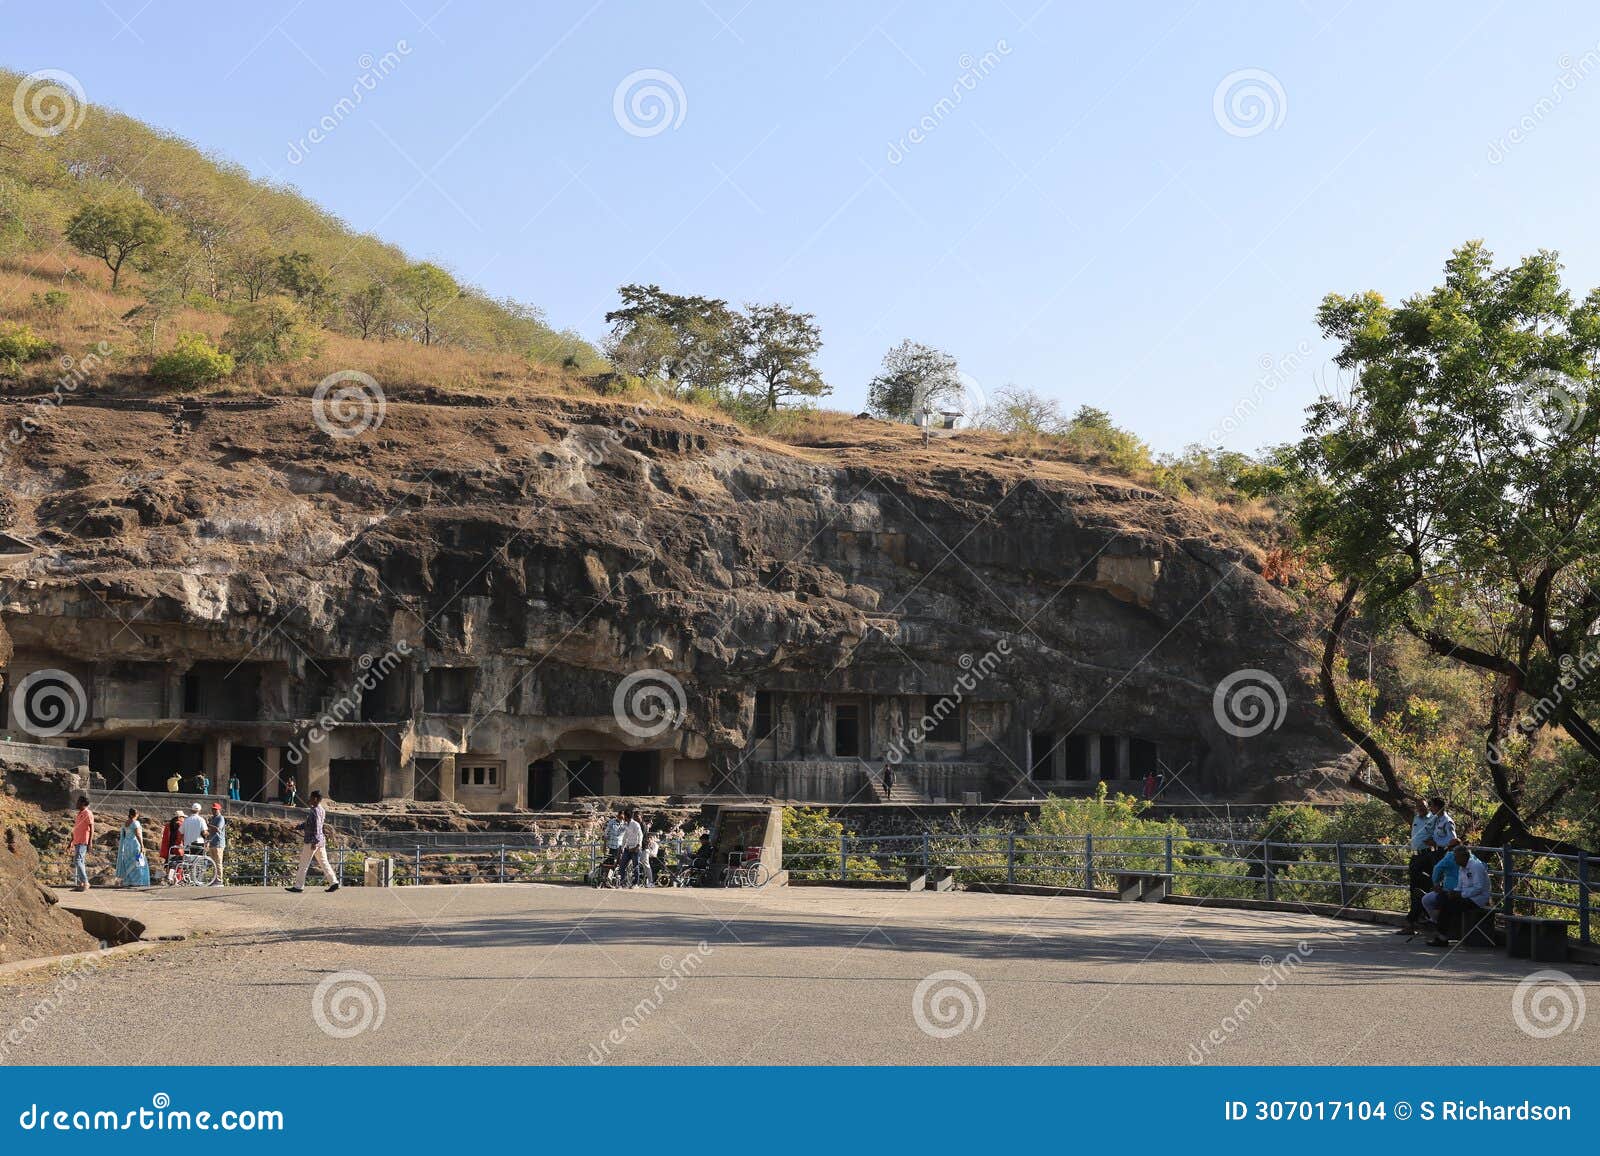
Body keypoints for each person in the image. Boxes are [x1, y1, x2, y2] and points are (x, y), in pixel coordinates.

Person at [1427, 846, 1491, 948]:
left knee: (1449, 905)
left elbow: (1479, 888)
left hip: (1477, 899)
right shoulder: (1462, 868)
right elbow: (1459, 887)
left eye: (1456, 857)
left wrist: (1461, 894)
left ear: (1464, 856)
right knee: (1443, 897)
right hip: (1465, 896)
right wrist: (1450, 892)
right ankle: (1437, 926)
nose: (1455, 860)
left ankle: (1441, 935)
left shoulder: (1476, 866)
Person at [286, 790, 339, 894]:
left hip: (311, 841)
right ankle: (334, 882)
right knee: (324, 862)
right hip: (320, 841)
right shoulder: (322, 810)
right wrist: (297, 827)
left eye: (311, 797)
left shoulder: (314, 811)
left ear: (315, 799)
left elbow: (315, 827)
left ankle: (298, 886)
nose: (309, 799)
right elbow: (312, 825)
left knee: (304, 864)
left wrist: (314, 841)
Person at [1402, 800, 1441, 934]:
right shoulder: (1416, 818)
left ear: (1428, 807)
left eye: (1423, 807)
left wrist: (1434, 842)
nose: (1421, 809)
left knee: (1425, 887)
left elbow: (1439, 836)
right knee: (1413, 888)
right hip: (1415, 856)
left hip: (1427, 855)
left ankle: (1420, 920)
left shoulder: (1434, 819)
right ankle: (1413, 922)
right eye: (1418, 807)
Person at [115, 807, 150, 888]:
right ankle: (137, 881)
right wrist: (142, 845)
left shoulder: (125, 823)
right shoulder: (135, 823)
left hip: (126, 845)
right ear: (135, 814)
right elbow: (138, 834)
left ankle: (128, 881)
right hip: (134, 845)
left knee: (128, 862)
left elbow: (124, 835)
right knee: (138, 862)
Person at [69, 796, 94, 892]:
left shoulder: (88, 813)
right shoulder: (79, 814)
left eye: (78, 802)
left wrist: (90, 842)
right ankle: (81, 884)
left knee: (78, 860)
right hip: (77, 840)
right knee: (80, 861)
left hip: (83, 841)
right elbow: (76, 828)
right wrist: (71, 841)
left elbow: (92, 828)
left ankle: (85, 882)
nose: (76, 804)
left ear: (83, 803)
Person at [617, 808, 644, 889]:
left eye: (624, 815)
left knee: (635, 866)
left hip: (635, 848)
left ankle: (636, 884)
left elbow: (640, 835)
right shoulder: (626, 824)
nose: (623, 817)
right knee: (622, 865)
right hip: (628, 848)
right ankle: (623, 883)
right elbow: (625, 836)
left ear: (626, 816)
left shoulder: (635, 824)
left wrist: (638, 846)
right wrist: (622, 847)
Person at [159, 811, 185, 885]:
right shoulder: (180, 825)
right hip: (177, 847)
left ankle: (171, 879)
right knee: (178, 865)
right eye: (183, 817)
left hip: (168, 847)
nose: (184, 819)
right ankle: (176, 880)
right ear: (179, 817)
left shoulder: (168, 825)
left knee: (170, 864)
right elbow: (181, 837)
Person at [206, 802, 227, 887]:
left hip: (218, 843)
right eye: (213, 809)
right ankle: (214, 879)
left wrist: (208, 825)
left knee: (218, 862)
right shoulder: (213, 818)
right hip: (212, 843)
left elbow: (218, 829)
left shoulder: (220, 818)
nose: (213, 811)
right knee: (213, 863)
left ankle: (219, 880)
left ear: (219, 810)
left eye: (215, 809)